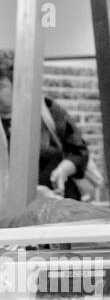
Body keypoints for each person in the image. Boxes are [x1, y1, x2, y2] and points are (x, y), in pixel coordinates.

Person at [0, 51, 90, 200]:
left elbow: (79, 151)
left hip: (58, 198)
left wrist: (62, 171)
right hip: (12, 206)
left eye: (1, 86)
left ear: (16, 85)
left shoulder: (46, 109)